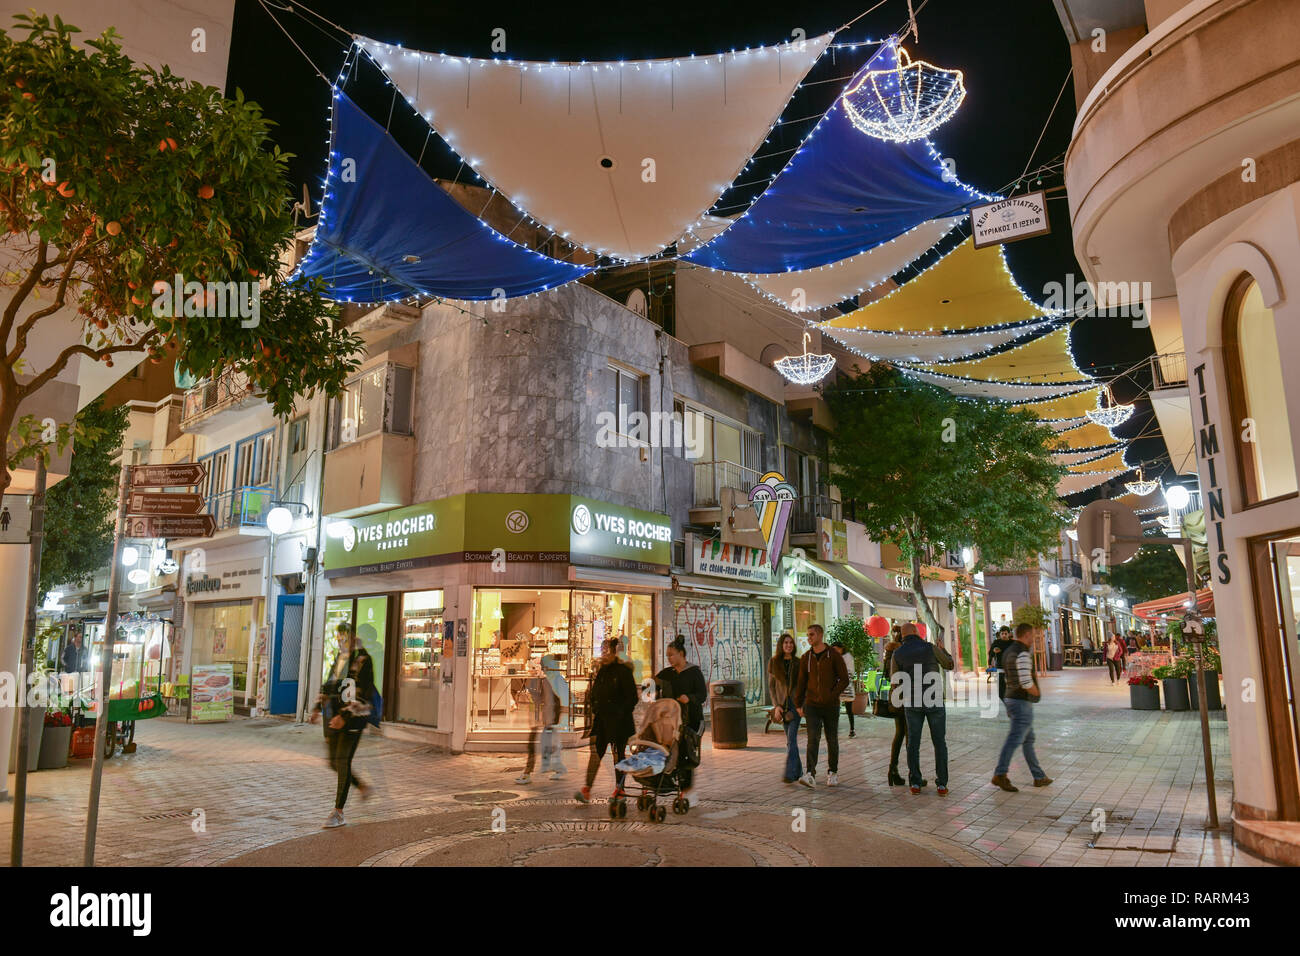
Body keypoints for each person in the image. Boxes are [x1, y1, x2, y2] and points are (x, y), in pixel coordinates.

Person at [310, 621, 375, 828]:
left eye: (343, 638)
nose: (340, 642)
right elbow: (329, 683)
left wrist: (344, 717)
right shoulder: (340, 657)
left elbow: (361, 692)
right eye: (338, 638)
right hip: (335, 716)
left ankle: (338, 812)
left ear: (352, 636)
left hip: (353, 718)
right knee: (333, 762)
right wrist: (317, 708)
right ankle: (363, 787)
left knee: (343, 761)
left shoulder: (363, 660)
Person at [891, 622, 954, 795]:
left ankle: (916, 783)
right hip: (933, 700)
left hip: (912, 703)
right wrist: (944, 649)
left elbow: (895, 682)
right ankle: (942, 784)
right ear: (916, 632)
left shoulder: (897, 653)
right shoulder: (930, 648)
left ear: (903, 636)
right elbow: (949, 664)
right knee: (939, 742)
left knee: (913, 744)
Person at [992, 623, 1053, 792]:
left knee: (1028, 738)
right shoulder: (1022, 653)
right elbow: (1026, 682)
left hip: (1011, 698)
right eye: (1032, 636)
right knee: (1015, 739)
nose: (1033, 639)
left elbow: (1008, 677)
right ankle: (1000, 774)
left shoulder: (1009, 651)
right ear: (1026, 635)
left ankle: (1038, 776)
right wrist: (1037, 694)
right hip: (1020, 701)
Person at [575, 637, 637, 803]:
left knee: (619, 755)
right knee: (596, 754)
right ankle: (587, 789)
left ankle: (620, 789)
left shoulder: (623, 672)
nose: (603, 654)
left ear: (614, 651)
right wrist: (595, 707)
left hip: (619, 722)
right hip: (602, 721)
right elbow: (595, 693)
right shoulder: (602, 671)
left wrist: (619, 712)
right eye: (601, 650)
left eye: (606, 650)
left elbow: (632, 698)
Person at [794, 623, 849, 789]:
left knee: (832, 739)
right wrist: (798, 704)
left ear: (820, 635)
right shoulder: (806, 658)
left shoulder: (833, 655)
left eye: (811, 634)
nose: (809, 638)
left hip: (831, 705)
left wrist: (832, 695)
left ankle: (833, 772)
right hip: (812, 705)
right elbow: (801, 682)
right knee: (813, 738)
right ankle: (810, 773)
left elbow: (844, 679)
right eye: (808, 635)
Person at [657, 634, 708, 804]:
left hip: (691, 721)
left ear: (681, 653)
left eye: (671, 654)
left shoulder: (694, 672)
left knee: (687, 755)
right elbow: (652, 685)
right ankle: (674, 785)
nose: (669, 658)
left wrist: (690, 698)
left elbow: (702, 695)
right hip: (671, 723)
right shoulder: (667, 674)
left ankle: (687, 791)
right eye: (667, 656)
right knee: (671, 753)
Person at [517, 654, 567, 784]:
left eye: (544, 666)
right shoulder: (547, 680)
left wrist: (553, 720)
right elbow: (542, 699)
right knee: (548, 745)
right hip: (545, 720)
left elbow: (553, 702)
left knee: (541, 745)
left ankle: (528, 773)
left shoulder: (552, 681)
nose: (543, 669)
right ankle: (555, 768)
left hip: (547, 720)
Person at [768, 633, 802, 783]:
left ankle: (789, 773)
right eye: (786, 643)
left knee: (792, 739)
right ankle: (799, 770)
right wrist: (776, 706)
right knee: (789, 741)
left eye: (791, 643)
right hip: (782, 707)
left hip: (795, 705)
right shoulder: (774, 662)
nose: (788, 645)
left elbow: (803, 686)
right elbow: (771, 687)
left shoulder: (798, 663)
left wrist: (802, 704)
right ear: (781, 645)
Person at [881, 627, 908, 787]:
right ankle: (913, 773)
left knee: (899, 734)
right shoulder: (903, 652)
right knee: (909, 734)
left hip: (895, 696)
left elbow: (886, 675)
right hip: (907, 695)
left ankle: (893, 770)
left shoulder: (889, 652)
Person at [834, 641, 857, 737]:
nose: (834, 651)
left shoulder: (848, 657)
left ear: (841, 648)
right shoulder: (835, 657)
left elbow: (850, 672)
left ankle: (852, 729)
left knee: (848, 710)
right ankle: (834, 729)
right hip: (837, 687)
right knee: (836, 710)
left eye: (836, 649)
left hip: (846, 687)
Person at [988, 626, 1015, 704]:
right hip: (1000, 668)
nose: (1003, 635)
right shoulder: (996, 642)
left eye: (1005, 634)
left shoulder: (1012, 643)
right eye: (1002, 634)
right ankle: (1007, 703)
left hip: (1011, 668)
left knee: (1012, 687)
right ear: (999, 634)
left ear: (1009, 634)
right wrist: (990, 663)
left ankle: (1011, 701)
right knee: (1000, 690)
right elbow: (990, 654)